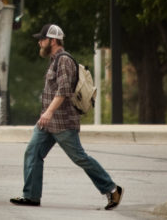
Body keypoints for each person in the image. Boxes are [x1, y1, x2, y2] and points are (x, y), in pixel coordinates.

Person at [10, 23, 123, 210]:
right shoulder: (54, 60)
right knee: (33, 152)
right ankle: (31, 196)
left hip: (62, 122)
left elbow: (63, 91)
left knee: (80, 157)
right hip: (47, 123)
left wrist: (48, 112)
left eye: (42, 39)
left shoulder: (64, 61)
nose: (39, 42)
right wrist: (46, 115)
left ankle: (112, 189)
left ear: (53, 41)